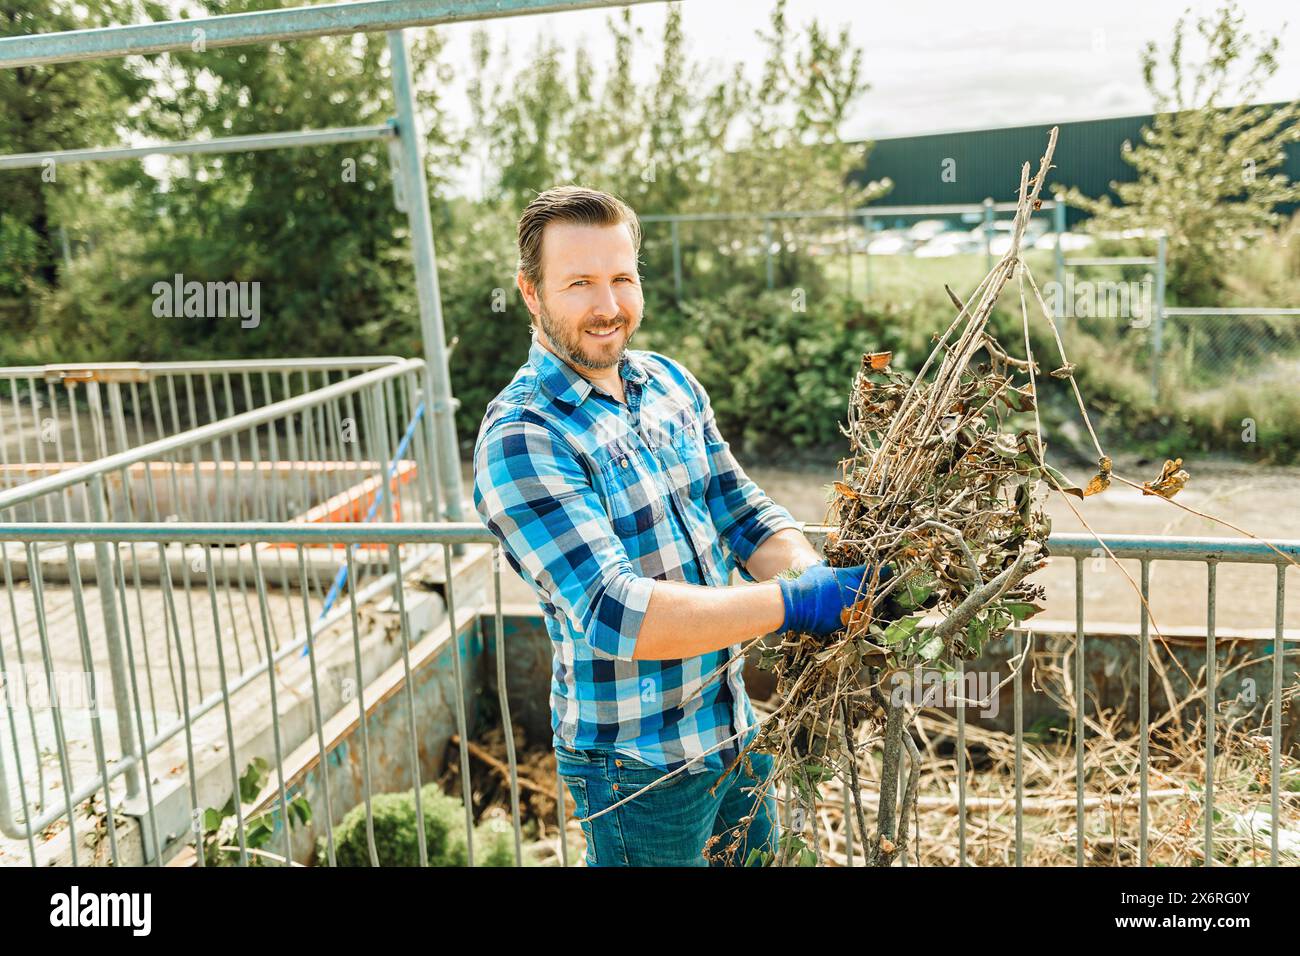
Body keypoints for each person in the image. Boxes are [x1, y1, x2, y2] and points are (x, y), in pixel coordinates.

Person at [472, 185, 883, 867]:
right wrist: (797, 603)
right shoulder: (523, 437)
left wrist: (818, 577)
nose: (608, 307)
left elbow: (743, 512)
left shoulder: (668, 384)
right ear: (531, 293)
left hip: (730, 730)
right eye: (579, 284)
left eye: (622, 279)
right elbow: (619, 612)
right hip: (637, 767)